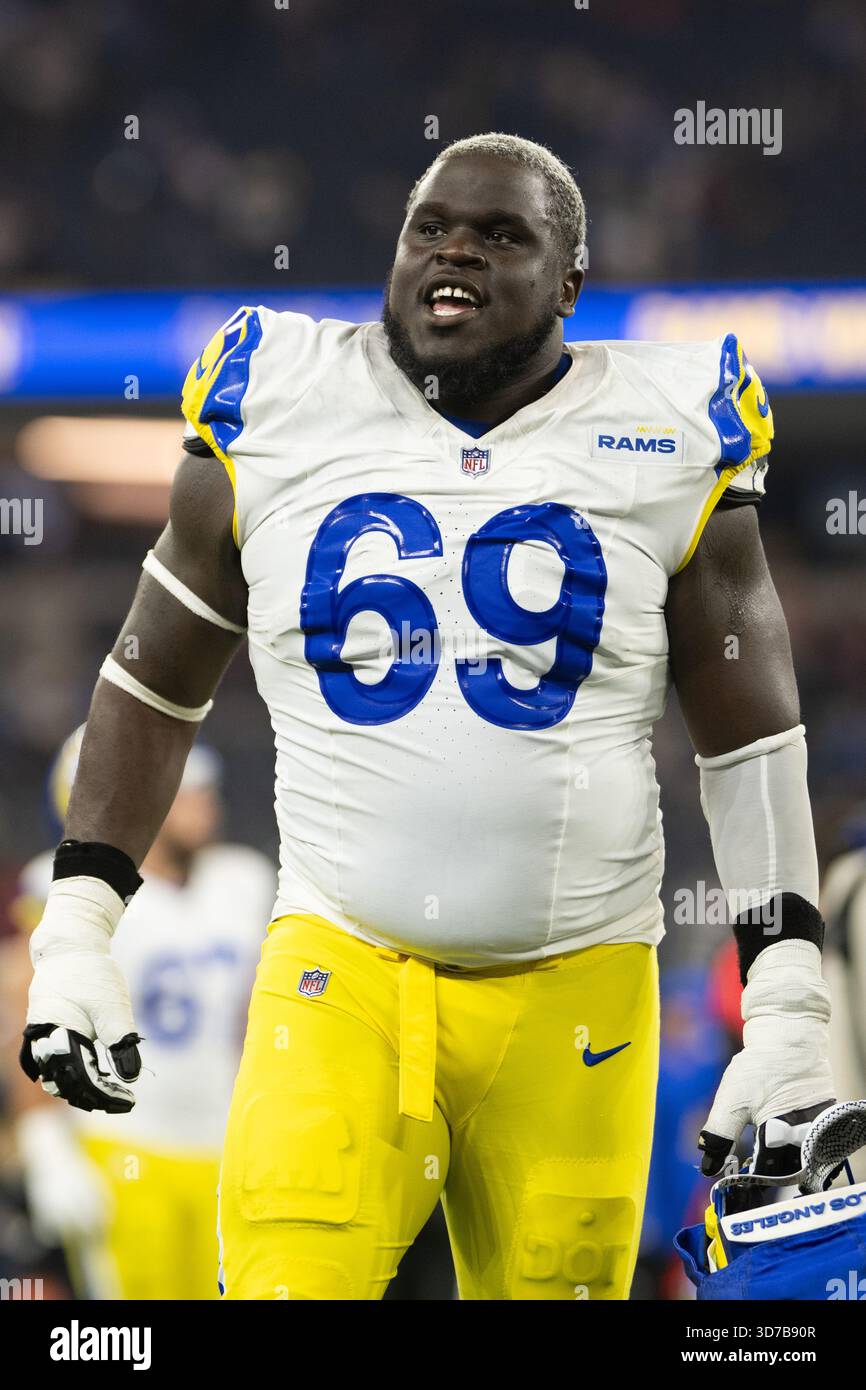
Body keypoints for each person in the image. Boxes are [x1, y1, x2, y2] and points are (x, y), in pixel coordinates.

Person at [20, 132, 835, 1300]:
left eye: (502, 234)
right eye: (430, 226)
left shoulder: (665, 428)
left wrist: (786, 998)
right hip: (340, 965)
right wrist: (78, 926)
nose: (454, 249)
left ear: (567, 285)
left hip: (578, 988)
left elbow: (750, 741)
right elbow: (154, 677)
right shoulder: (282, 397)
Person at [8, 729, 274, 1298]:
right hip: (125, 1148)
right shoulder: (71, 894)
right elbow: (30, 1016)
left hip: (227, 1151)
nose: (203, 795)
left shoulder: (242, 881)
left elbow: (257, 1025)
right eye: (185, 785)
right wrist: (42, 1141)